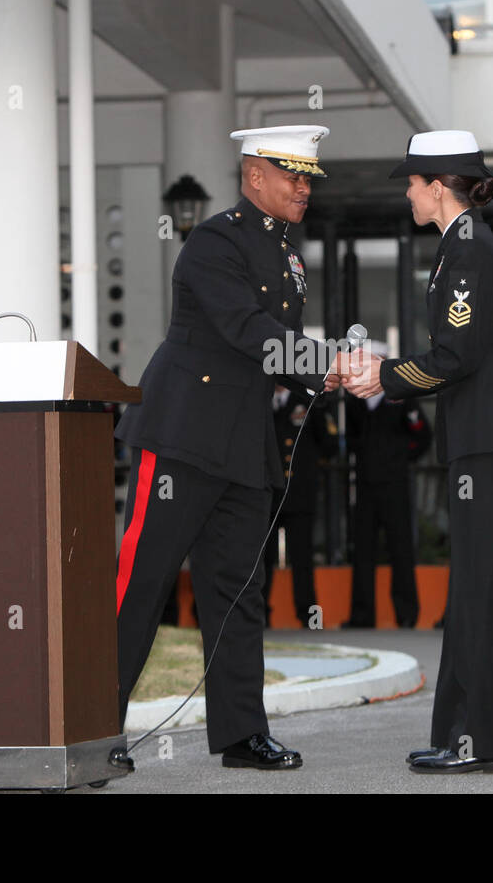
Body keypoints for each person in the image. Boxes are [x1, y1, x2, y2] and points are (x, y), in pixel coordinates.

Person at [111, 125, 339, 769]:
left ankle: (241, 733)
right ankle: (95, 729)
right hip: (182, 437)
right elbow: (247, 329)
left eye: (309, 178)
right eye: (290, 174)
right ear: (252, 175)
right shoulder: (215, 241)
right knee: (143, 583)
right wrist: (325, 365)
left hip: (242, 446)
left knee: (238, 591)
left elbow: (268, 342)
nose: (302, 187)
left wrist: (324, 368)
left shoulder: (288, 255)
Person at [340, 129, 493, 774]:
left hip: (490, 445)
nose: (405, 190)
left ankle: (480, 742)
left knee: (476, 593)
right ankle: (463, 736)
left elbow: (455, 356)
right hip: (482, 442)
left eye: (411, 180)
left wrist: (385, 377)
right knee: (471, 591)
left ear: (437, 186)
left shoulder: (469, 253)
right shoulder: (462, 247)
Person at [343, 343, 432, 629]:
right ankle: (362, 615)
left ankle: (406, 614)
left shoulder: (400, 395)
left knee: (401, 549)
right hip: (366, 484)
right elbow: (353, 439)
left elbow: (422, 435)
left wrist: (401, 457)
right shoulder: (355, 398)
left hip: (395, 484)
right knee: (363, 551)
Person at [262, 383, 336, 627]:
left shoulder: (307, 401)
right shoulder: (260, 399)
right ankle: (260, 615)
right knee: (263, 559)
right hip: (269, 493)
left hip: (300, 493)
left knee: (303, 559)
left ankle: (309, 617)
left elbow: (328, 444)